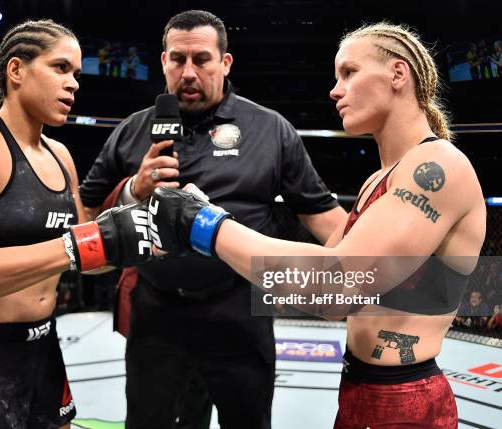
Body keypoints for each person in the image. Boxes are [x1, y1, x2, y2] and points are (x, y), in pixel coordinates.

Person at [148, 22, 486, 429]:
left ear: (398, 74)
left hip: (407, 399)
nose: (335, 90)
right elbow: (322, 275)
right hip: (361, 387)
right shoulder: (377, 180)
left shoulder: (439, 167)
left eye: (349, 72)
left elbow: (336, 289)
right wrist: (201, 219)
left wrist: (205, 224)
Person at [79, 10, 345, 429]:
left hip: (237, 310)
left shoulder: (270, 129)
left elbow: (325, 219)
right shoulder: (132, 130)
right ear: (163, 61)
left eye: (201, 59)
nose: (188, 72)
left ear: (225, 63)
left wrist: (383, 267)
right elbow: (86, 213)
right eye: (177, 60)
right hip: (156, 311)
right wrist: (134, 189)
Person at [0, 19, 150, 429]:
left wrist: (139, 228)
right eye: (60, 68)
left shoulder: (61, 155)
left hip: (44, 343)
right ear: (16, 71)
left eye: (77, 74)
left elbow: (90, 254)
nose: (74, 84)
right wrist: (76, 246)